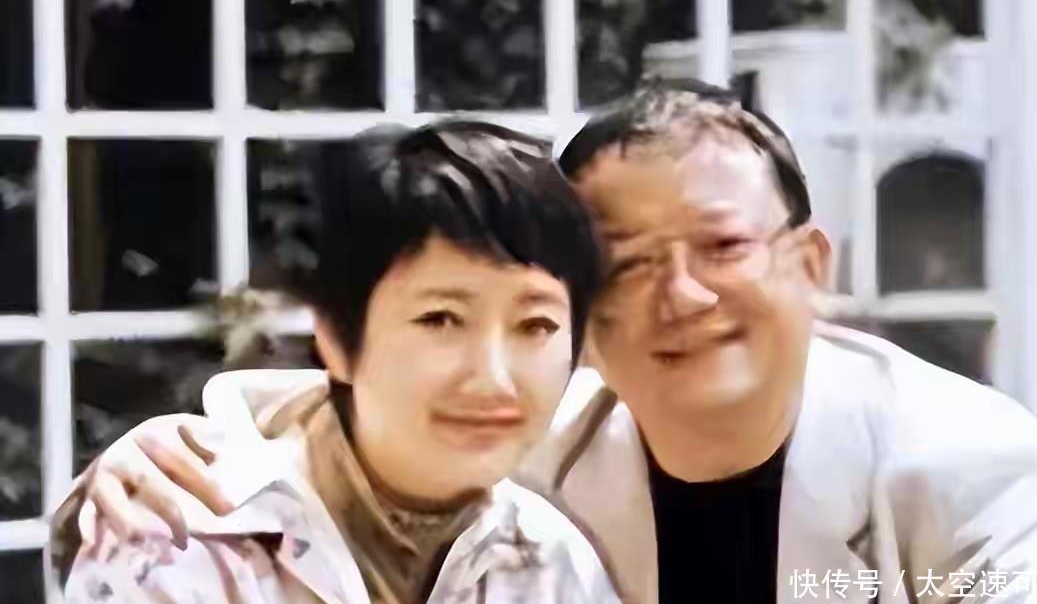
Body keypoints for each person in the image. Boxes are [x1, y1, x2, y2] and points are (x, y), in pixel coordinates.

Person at [53, 80, 1037, 603]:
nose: (683, 295)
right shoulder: (536, 445)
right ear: (590, 325)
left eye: (722, 246)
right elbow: (364, 417)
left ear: (810, 263)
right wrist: (173, 457)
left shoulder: (961, 468)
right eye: (629, 262)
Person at [54, 120, 619, 603]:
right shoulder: (178, 537)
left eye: (536, 325)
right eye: (440, 319)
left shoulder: (550, 557)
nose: (493, 378)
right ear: (336, 340)